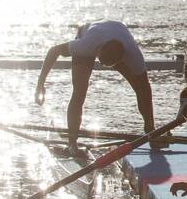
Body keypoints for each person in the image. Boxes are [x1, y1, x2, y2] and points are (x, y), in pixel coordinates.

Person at [35, 20, 154, 150]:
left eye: (108, 64)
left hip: (116, 34)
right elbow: (54, 51)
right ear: (99, 50)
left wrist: (150, 126)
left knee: (140, 88)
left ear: (121, 58)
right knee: (79, 91)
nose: (101, 65)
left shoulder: (134, 55)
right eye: (102, 61)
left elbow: (145, 89)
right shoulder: (86, 45)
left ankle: (150, 131)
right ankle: (72, 142)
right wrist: (40, 85)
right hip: (89, 32)